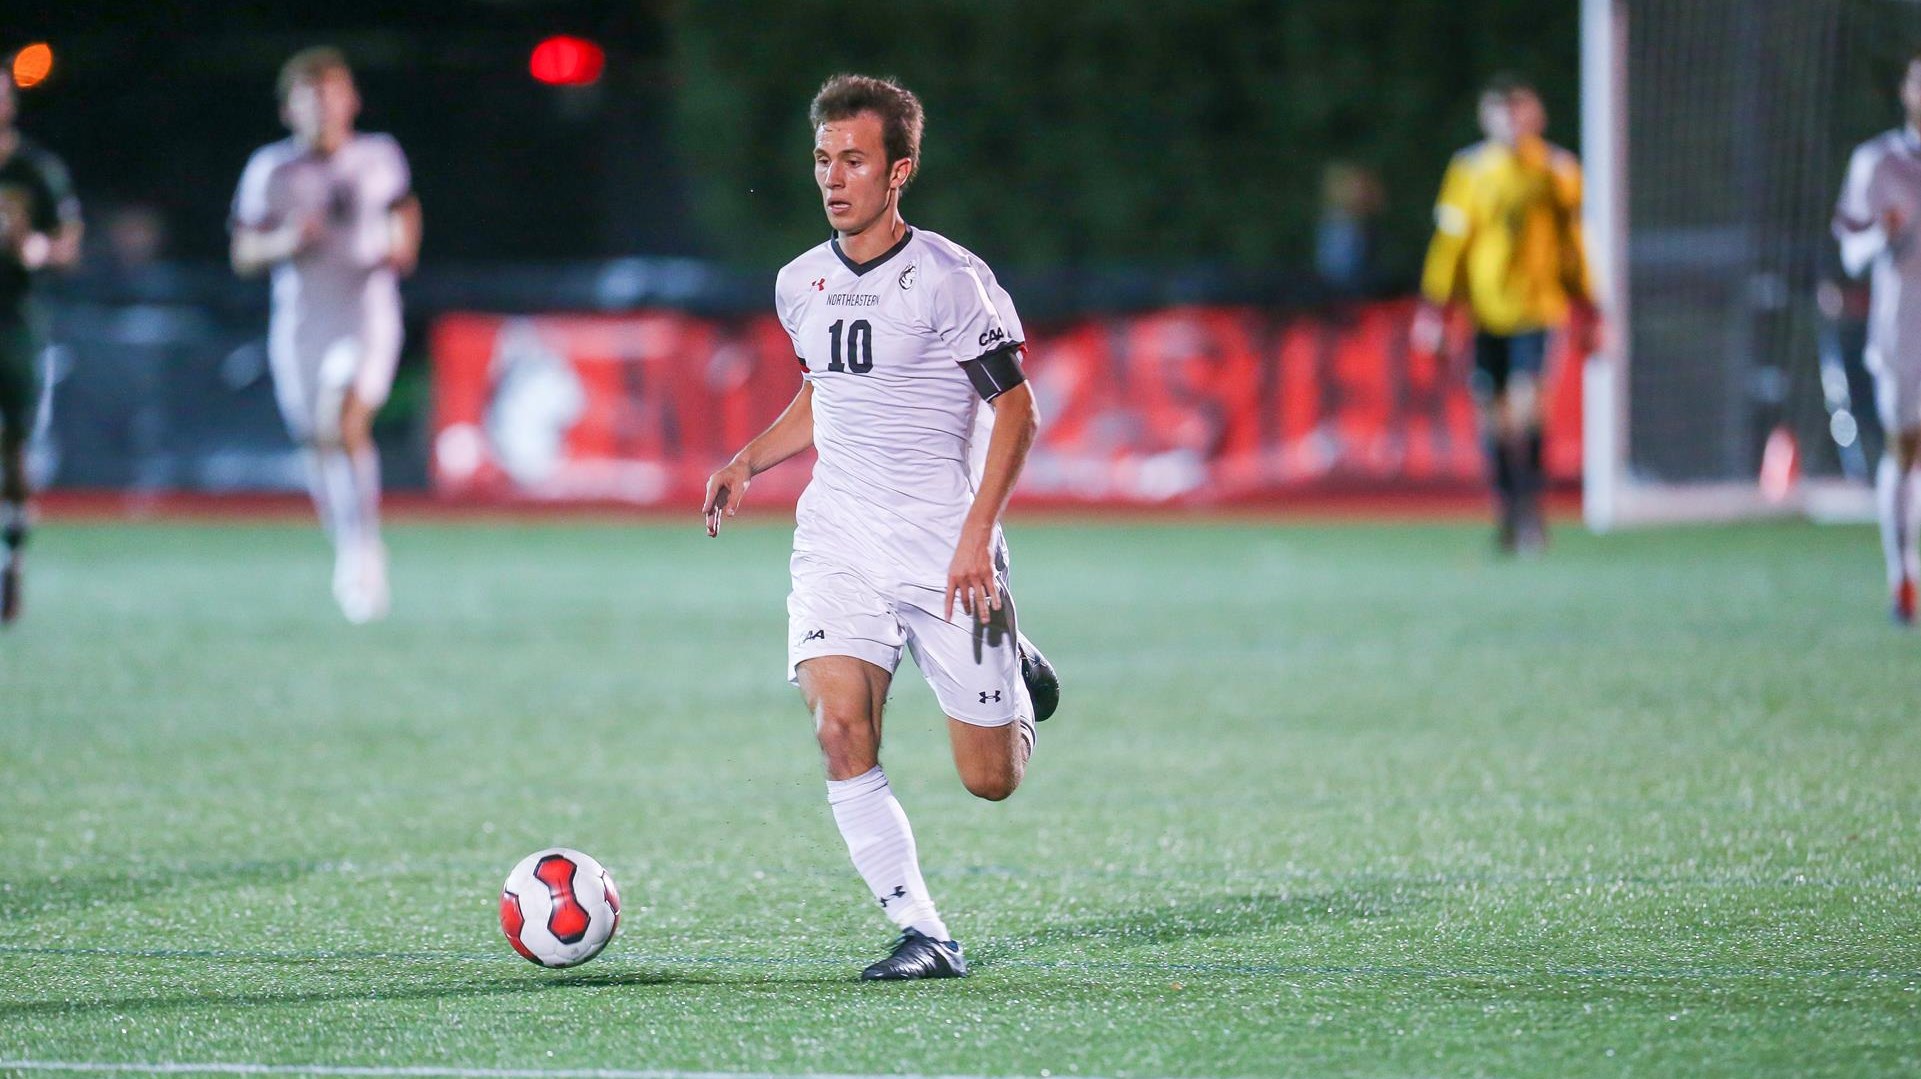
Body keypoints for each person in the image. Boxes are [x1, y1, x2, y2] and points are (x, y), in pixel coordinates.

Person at [702, 73, 1061, 981]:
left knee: (991, 778)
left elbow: (1016, 412)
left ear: (897, 171)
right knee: (837, 727)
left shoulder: (948, 280)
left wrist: (980, 533)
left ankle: (1011, 665)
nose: (832, 177)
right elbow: (828, 395)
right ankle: (925, 932)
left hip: (948, 547)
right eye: (823, 159)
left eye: (853, 160)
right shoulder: (800, 282)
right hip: (839, 539)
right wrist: (749, 457)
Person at [231, 47, 421, 623]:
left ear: (352, 100)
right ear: (289, 109)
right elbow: (244, 251)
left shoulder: (378, 156)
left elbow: (402, 212)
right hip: (301, 321)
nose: (324, 107)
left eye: (332, 93)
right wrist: (284, 243)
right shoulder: (271, 169)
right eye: (310, 97)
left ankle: (361, 555)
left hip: (364, 313)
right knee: (316, 441)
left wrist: (399, 244)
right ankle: (351, 542)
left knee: (343, 420)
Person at [1415, 74, 1597, 554]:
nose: (1511, 120)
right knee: (1491, 417)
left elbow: (1573, 245)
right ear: (1485, 117)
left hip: (1538, 311)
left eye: (1519, 109)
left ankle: (1532, 511)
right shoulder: (1469, 170)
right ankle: (1506, 508)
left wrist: (1590, 307)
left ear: (1537, 115)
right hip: (1484, 314)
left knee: (1527, 407)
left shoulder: (1557, 169)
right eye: (1501, 110)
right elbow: (1451, 245)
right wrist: (1435, 309)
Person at [1834, 52, 1921, 625]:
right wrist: (1883, 240)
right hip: (1904, 326)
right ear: (1907, 90)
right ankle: (1901, 578)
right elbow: (1850, 247)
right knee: (1905, 449)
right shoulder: (1878, 161)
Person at [0, 72, 83, 626]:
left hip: (14, 321)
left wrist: (37, 248)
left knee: (13, 446)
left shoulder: (35, 170)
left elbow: (70, 245)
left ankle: (12, 553)